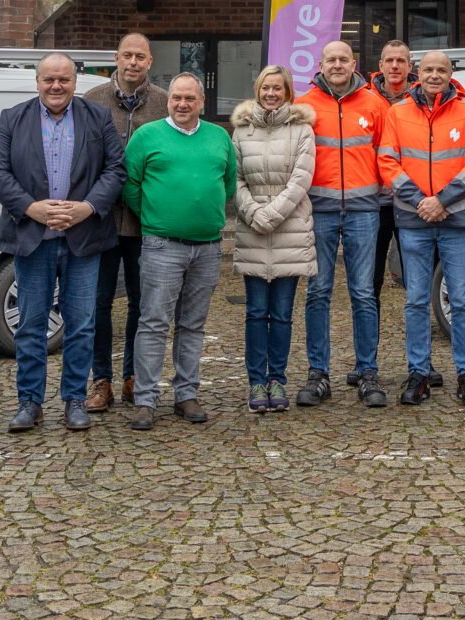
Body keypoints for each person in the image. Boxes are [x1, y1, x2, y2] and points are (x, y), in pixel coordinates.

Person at [0, 53, 127, 433]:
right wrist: (31, 208)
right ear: (37, 82)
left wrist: (88, 207)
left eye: (63, 79)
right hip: (33, 239)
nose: (56, 86)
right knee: (31, 325)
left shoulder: (96, 117)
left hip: (84, 238)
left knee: (81, 325)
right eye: (49, 79)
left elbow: (117, 169)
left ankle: (74, 400)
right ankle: (30, 402)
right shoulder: (12, 118)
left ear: (74, 80)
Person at [122, 72, 238, 430]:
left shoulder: (220, 137)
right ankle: (145, 400)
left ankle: (186, 394)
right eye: (176, 98)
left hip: (207, 247)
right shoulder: (146, 137)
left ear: (202, 101)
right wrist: (159, 218)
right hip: (161, 245)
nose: (182, 104)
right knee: (153, 323)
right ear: (168, 100)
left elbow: (229, 183)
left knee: (193, 325)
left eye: (190, 98)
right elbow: (131, 185)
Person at [379, 50, 465, 407]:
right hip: (414, 220)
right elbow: (386, 160)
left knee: (461, 301)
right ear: (417, 72)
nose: (434, 75)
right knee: (415, 301)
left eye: (441, 69)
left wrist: (442, 200)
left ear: (450, 73)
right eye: (428, 69)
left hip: (457, 220)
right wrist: (421, 202)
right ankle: (419, 373)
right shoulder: (397, 113)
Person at [297, 40, 389, 408]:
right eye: (330, 60)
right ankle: (318, 374)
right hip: (318, 210)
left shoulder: (374, 103)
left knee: (364, 293)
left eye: (343, 59)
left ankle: (368, 371)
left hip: (365, 211)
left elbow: (388, 152)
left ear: (355, 63)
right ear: (320, 64)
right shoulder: (304, 105)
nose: (337, 65)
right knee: (318, 292)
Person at [81, 33, 170, 411]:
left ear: (150, 62)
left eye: (140, 57)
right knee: (98, 303)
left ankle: (134, 376)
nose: (133, 62)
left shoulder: (165, 103)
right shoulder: (92, 100)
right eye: (127, 55)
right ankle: (101, 380)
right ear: (116, 58)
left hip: (143, 220)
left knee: (141, 302)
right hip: (99, 220)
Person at [230, 64, 316, 413]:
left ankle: (277, 380)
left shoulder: (302, 130)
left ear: (287, 92)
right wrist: (253, 212)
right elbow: (233, 179)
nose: (270, 94)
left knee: (281, 314)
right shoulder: (241, 131)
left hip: (290, 228)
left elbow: (301, 178)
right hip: (253, 228)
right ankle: (256, 381)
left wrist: (273, 214)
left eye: (277, 89)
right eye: (265, 88)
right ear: (257, 90)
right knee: (255, 312)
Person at [367, 40, 416, 301]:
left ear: (410, 65)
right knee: (371, 278)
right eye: (389, 61)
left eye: (400, 61)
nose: (395, 66)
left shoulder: (423, 97)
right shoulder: (365, 98)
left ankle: (420, 337)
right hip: (376, 201)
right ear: (381, 66)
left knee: (416, 276)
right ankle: (369, 339)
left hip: (412, 199)